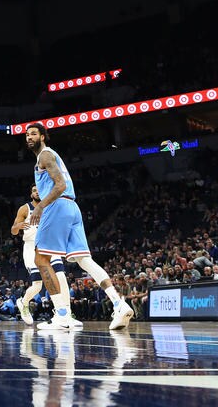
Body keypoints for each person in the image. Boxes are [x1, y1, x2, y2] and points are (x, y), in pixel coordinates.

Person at [24, 123, 135, 331]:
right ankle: (119, 304)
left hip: (57, 205)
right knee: (85, 261)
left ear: (43, 137)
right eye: (27, 135)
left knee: (40, 259)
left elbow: (60, 185)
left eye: (33, 134)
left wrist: (40, 206)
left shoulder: (45, 156)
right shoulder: (50, 156)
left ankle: (62, 315)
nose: (29, 138)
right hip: (72, 207)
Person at [10, 184, 65, 326]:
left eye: (39, 190)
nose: (37, 192)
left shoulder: (50, 206)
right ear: (31, 194)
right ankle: (23, 302)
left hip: (49, 245)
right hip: (31, 246)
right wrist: (17, 227)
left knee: (60, 276)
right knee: (37, 285)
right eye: (34, 190)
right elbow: (13, 230)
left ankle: (64, 311)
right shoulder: (25, 208)